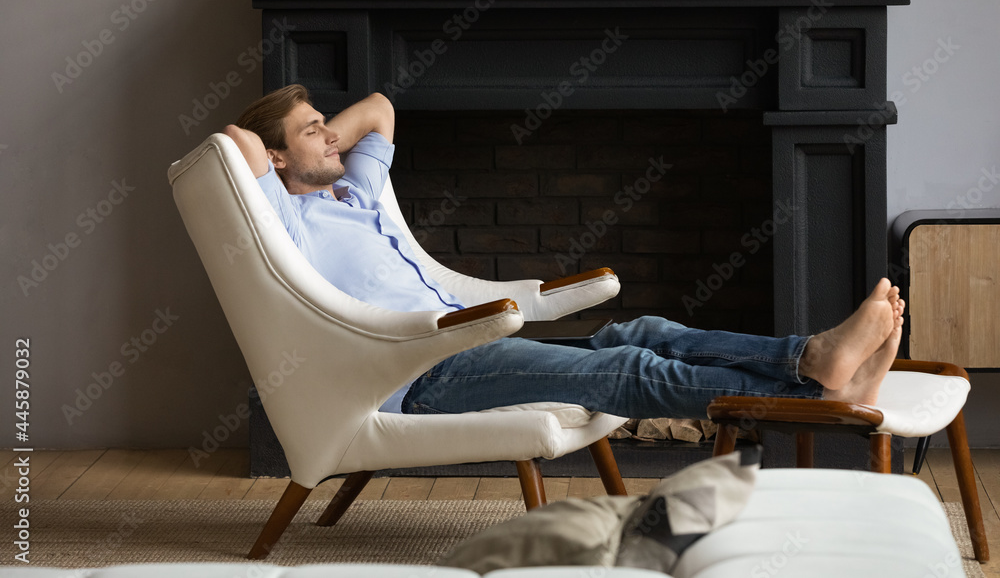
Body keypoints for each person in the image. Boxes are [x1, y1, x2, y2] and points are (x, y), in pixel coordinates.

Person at [222, 84, 905, 421]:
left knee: (645, 331)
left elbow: (378, 107)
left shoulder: (356, 193)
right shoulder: (283, 217)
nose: (332, 137)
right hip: (420, 376)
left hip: (469, 346)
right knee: (627, 367)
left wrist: (317, 141)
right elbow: (237, 141)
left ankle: (812, 361)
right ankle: (825, 398)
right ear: (279, 156)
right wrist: (290, 153)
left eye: (325, 127)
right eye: (313, 133)